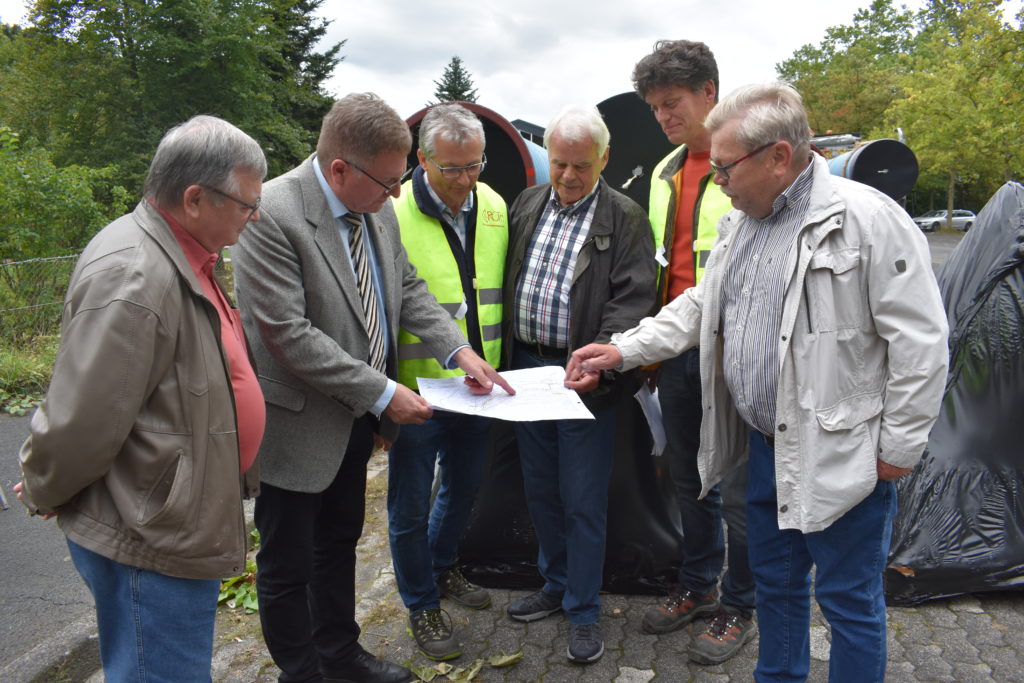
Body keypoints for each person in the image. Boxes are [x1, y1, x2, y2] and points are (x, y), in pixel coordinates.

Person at [568, 82, 949, 682]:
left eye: (724, 166)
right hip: (765, 449)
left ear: (777, 156)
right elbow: (700, 307)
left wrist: (898, 449)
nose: (716, 179)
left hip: (845, 454)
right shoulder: (744, 224)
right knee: (776, 588)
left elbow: (922, 345)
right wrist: (620, 349)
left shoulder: (869, 221)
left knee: (848, 603)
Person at [233, 92, 512, 683]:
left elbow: (407, 287)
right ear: (339, 168)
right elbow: (288, 335)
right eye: (387, 183)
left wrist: (458, 349)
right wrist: (385, 393)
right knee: (286, 565)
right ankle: (302, 672)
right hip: (298, 424)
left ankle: (341, 653)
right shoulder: (273, 214)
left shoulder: (378, 207)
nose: (396, 195)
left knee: (337, 544)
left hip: (354, 423)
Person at [16, 115, 267, 681]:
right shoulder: (136, 274)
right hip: (150, 536)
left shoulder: (184, 251)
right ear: (195, 198)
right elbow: (84, 416)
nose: (254, 218)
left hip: (167, 520)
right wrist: (44, 482)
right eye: (247, 205)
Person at [502, 104, 656, 664]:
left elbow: (634, 300)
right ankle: (556, 584)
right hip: (525, 369)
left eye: (581, 166)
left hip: (582, 379)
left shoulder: (625, 217)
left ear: (605, 159)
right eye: (560, 164)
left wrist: (599, 359)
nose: (568, 177)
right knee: (541, 488)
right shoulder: (526, 204)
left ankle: (585, 609)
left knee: (583, 498)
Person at [630, 39, 756, 664]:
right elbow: (665, 266)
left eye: (671, 103)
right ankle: (699, 585)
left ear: (710, 91)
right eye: (654, 107)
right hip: (676, 349)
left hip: (736, 355)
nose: (662, 118)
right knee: (689, 479)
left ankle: (743, 603)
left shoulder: (750, 163)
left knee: (737, 485)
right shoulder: (664, 171)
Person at [387, 103, 508, 661]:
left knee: (464, 488)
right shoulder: (391, 212)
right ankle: (421, 604)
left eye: (474, 166)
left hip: (480, 389)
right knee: (409, 506)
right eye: (451, 169)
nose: (464, 181)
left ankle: (443, 568)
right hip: (420, 392)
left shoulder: (494, 206)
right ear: (422, 159)